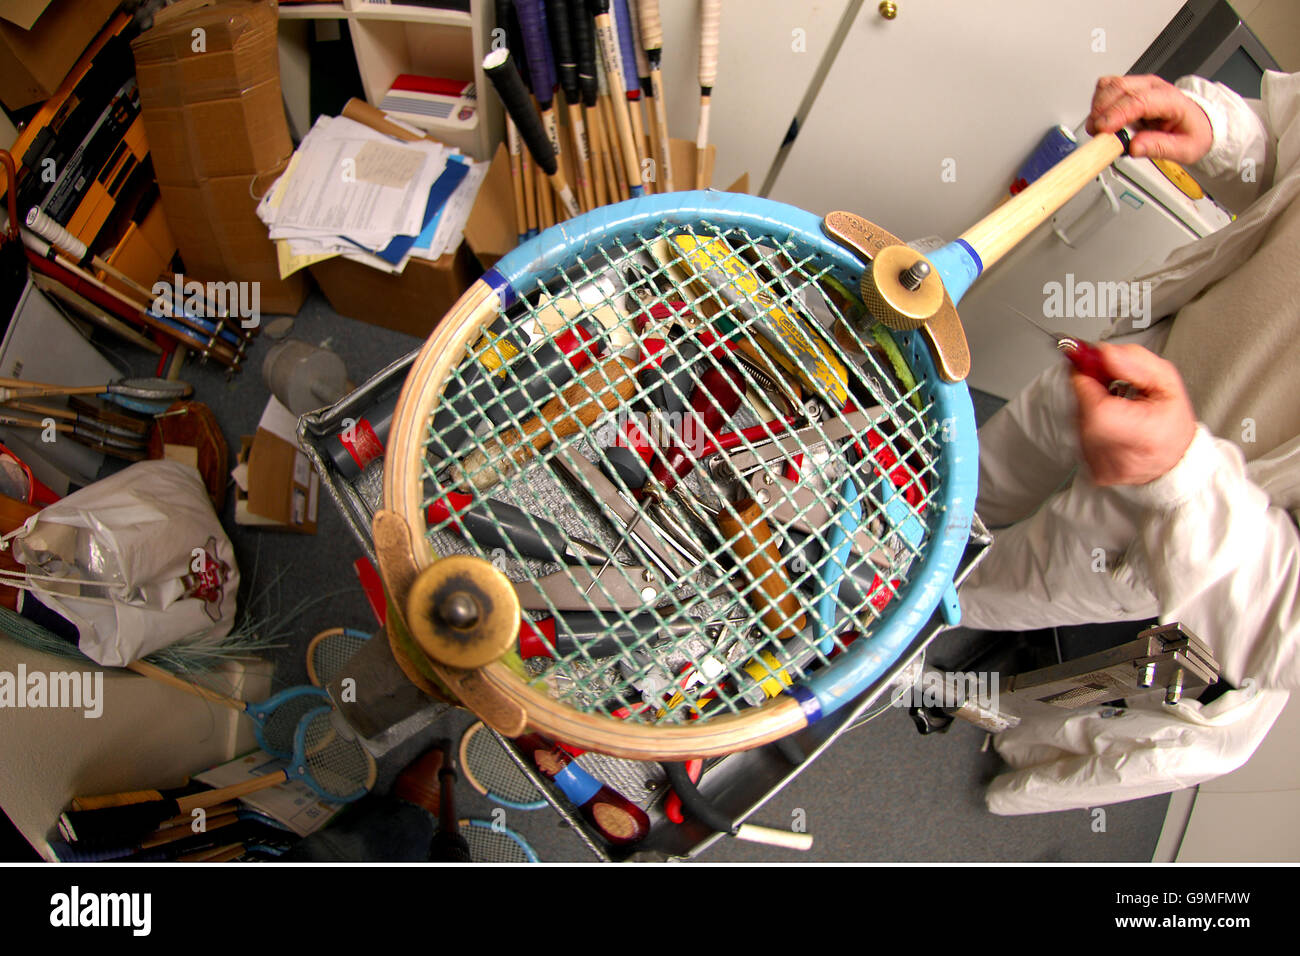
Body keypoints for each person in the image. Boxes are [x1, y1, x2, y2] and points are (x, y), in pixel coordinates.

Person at [959, 70, 1300, 692]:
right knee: (955, 486)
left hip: (1172, 527)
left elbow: (1286, 631)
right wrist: (1221, 136)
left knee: (963, 593)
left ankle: (856, 632)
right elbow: (1283, 147)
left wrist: (1178, 474)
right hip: (1128, 367)